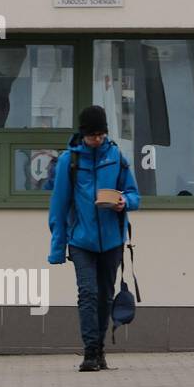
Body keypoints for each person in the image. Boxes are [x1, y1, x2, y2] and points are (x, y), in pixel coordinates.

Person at [48, 105, 140, 372]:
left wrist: (124, 201)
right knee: (87, 293)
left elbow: (134, 194)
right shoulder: (69, 161)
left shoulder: (117, 157)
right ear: (83, 134)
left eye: (101, 134)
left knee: (105, 296)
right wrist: (57, 248)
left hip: (112, 240)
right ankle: (90, 352)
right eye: (92, 135)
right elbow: (59, 205)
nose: (97, 139)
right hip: (81, 241)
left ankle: (100, 349)